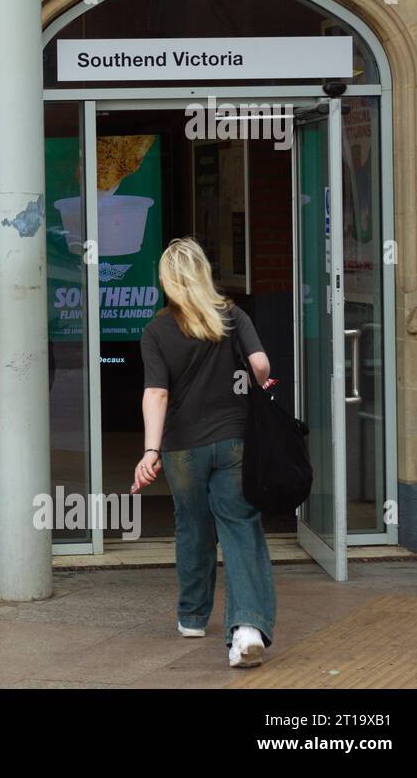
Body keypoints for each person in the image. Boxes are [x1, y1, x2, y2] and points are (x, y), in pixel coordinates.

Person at [132, 237, 276, 668]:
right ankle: (247, 629)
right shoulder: (232, 316)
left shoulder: (157, 330)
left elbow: (156, 393)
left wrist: (150, 451)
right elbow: (262, 365)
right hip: (233, 440)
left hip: (181, 448)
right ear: (203, 275)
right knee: (240, 527)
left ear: (167, 281)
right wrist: (252, 380)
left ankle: (193, 616)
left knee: (193, 526)